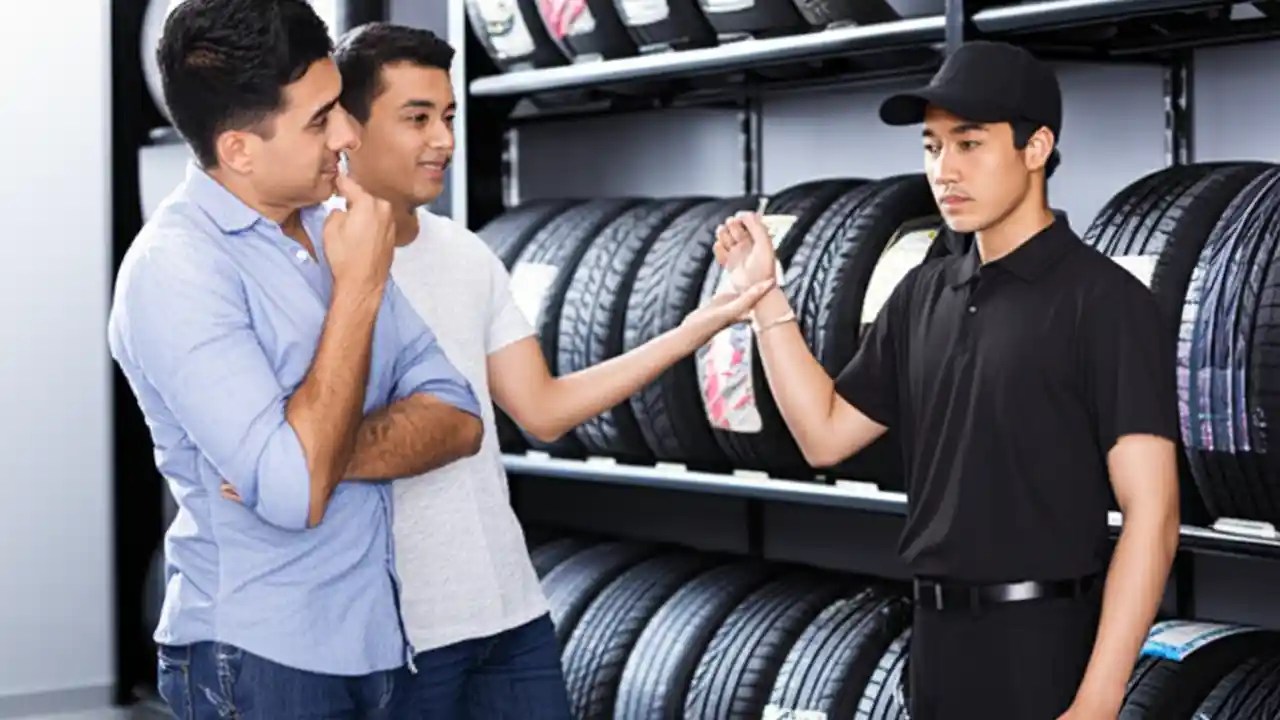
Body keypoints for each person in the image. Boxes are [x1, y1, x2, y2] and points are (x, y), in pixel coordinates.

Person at [713, 41, 1181, 720]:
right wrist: (765, 300)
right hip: (933, 647)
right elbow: (825, 436)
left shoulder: (1105, 302)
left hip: (1045, 652)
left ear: (1036, 147)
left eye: (969, 143)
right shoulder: (921, 293)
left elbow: (1154, 516)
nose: (945, 170)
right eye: (932, 147)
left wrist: (1098, 700)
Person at [327, 22, 775, 718]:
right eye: (416, 119)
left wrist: (695, 329)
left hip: (508, 616)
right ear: (347, 129)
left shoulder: (466, 255)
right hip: (397, 634)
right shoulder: (310, 260)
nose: (444, 139)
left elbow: (543, 409)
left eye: (447, 115)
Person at [108, 1, 485, 718]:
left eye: (339, 106)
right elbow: (296, 498)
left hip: (378, 644)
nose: (347, 134)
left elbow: (460, 416)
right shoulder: (175, 269)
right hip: (256, 664)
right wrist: (362, 287)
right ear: (239, 149)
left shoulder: (328, 227)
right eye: (319, 120)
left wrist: (316, 448)